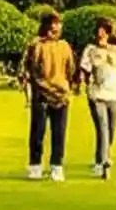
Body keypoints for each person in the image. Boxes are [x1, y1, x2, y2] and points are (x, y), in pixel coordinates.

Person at [20, 12, 78, 182]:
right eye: (52, 25)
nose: (55, 28)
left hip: (61, 95)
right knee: (38, 132)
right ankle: (35, 165)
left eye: (58, 24)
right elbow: (28, 69)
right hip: (42, 93)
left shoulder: (65, 46)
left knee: (59, 133)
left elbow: (71, 70)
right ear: (45, 27)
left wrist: (69, 88)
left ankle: (57, 166)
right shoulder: (36, 45)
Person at [79, 17, 116, 180]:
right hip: (97, 95)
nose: (99, 32)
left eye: (103, 29)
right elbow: (84, 70)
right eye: (98, 29)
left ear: (108, 32)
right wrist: (82, 82)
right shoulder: (90, 50)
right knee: (102, 128)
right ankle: (104, 162)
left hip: (115, 94)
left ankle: (101, 157)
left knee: (111, 130)